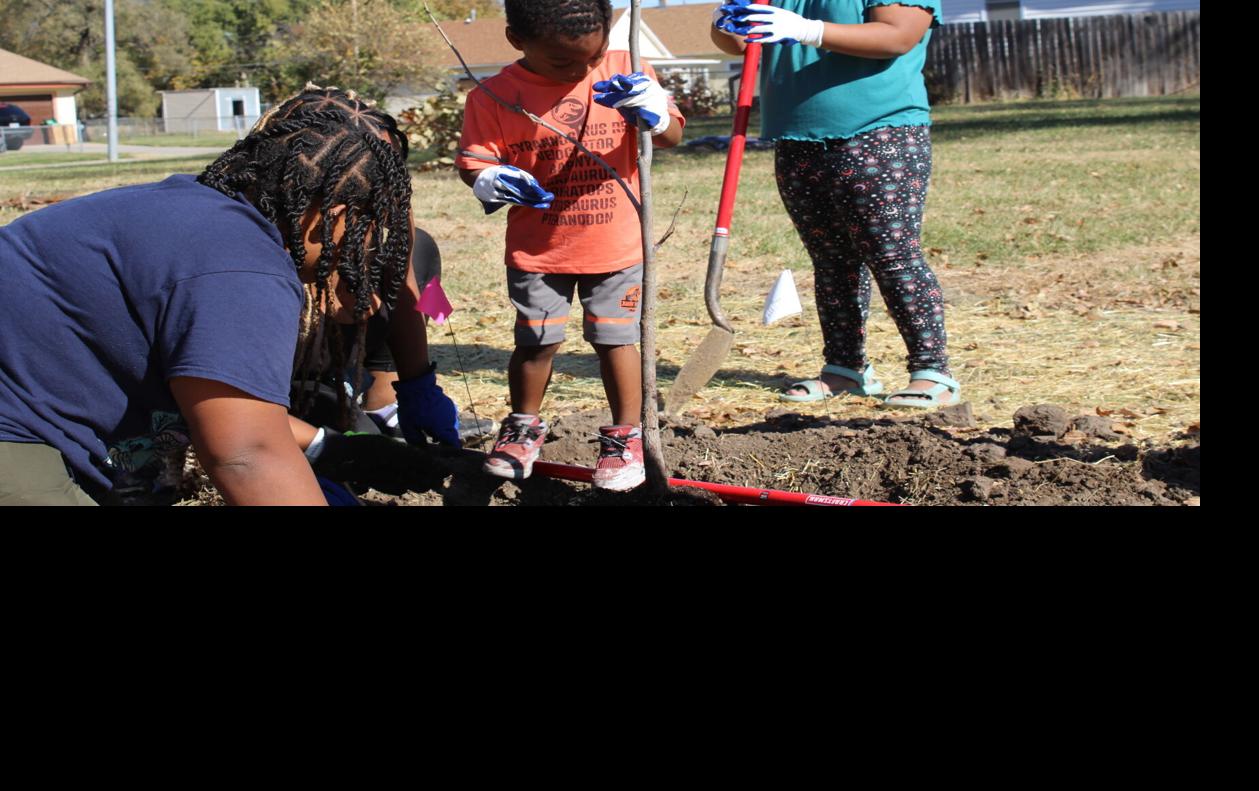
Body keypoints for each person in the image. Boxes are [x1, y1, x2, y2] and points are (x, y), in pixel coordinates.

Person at [0, 87, 441, 505]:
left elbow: (228, 409)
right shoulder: (243, 269)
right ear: (331, 216)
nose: (366, 245)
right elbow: (246, 455)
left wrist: (331, 449)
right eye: (366, 227)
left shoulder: (199, 208)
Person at [457, 0, 685, 490]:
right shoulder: (493, 96)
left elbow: (672, 134)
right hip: (540, 250)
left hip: (616, 245)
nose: (582, 70)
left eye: (594, 55)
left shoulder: (627, 68)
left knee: (615, 340)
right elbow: (474, 162)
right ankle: (522, 429)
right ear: (517, 40)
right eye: (563, 62)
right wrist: (490, 179)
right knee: (536, 340)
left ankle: (625, 437)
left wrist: (654, 115)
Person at [712, 0, 959, 409]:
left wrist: (806, 30)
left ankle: (933, 371)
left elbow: (898, 35)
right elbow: (739, 42)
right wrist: (724, 20)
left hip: (879, 129)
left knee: (892, 255)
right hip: (796, 135)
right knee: (830, 260)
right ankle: (846, 368)